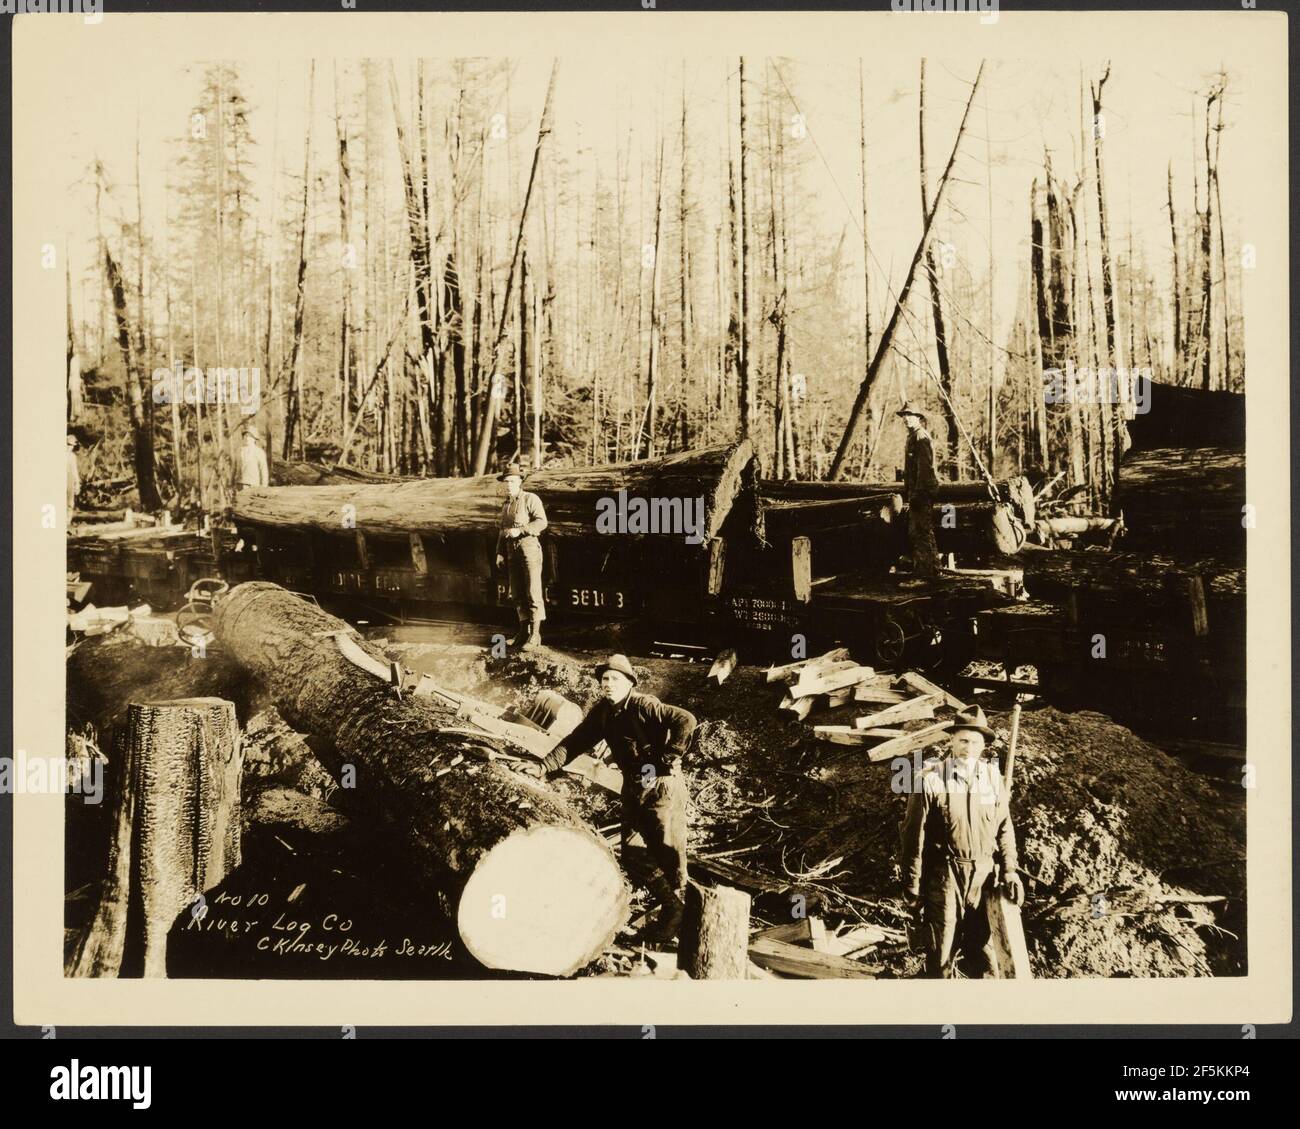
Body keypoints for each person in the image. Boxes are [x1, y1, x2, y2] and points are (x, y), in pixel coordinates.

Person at [539, 655, 696, 943]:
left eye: (614, 679)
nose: (607, 684)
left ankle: (684, 920)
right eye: (604, 679)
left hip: (662, 785)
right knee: (634, 852)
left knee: (669, 852)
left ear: (629, 683)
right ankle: (674, 908)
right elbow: (575, 741)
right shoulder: (603, 713)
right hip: (633, 786)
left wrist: (671, 754)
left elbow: (686, 719)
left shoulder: (644, 704)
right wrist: (543, 765)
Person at [898, 704, 1024, 978]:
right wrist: (912, 884)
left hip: (984, 876)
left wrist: (1011, 870)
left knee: (983, 953)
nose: (969, 747)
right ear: (951, 740)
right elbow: (912, 837)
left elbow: (1004, 826)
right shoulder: (930, 781)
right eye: (963, 740)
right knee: (941, 953)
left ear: (983, 746)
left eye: (975, 742)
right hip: (945, 877)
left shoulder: (992, 778)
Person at [495, 462, 548, 650]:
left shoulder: (530, 499)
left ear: (519, 481)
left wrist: (522, 531)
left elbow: (542, 522)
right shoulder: (506, 505)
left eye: (512, 481)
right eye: (506, 482)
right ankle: (522, 632)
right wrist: (500, 553)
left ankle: (535, 635)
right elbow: (502, 531)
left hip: (529, 549)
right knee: (516, 593)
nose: (508, 485)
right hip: (512, 552)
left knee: (533, 592)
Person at [898, 405, 941, 578]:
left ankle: (927, 573)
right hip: (916, 490)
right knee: (919, 530)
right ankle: (930, 569)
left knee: (921, 530)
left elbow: (925, 468)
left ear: (918, 418)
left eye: (910, 415)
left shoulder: (921, 436)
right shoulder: (912, 437)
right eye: (904, 415)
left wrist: (917, 492)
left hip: (922, 491)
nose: (906, 418)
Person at [236, 425, 269, 490]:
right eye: (245, 436)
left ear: (255, 438)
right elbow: (235, 469)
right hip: (239, 484)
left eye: (250, 436)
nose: (247, 438)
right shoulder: (239, 451)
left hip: (253, 485)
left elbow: (264, 470)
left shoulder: (259, 452)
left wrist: (264, 487)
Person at [66, 434, 81, 516]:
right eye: (68, 444)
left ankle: (67, 522)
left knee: (70, 502)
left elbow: (74, 470)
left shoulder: (72, 456)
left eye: (71, 445)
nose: (69, 447)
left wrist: (77, 483)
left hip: (70, 479)